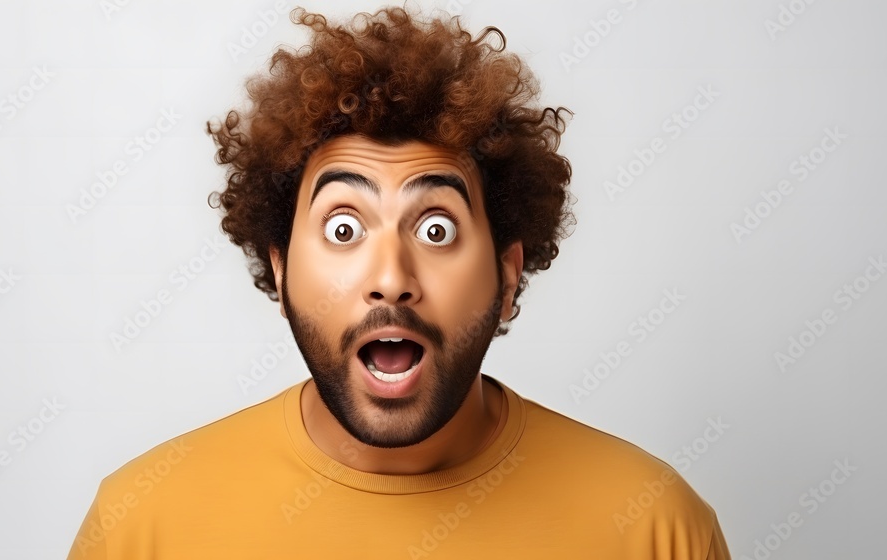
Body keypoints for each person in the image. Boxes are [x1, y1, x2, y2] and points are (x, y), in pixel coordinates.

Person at [67, 6, 730, 559]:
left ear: (505, 275)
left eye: (436, 229)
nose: (391, 279)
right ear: (280, 269)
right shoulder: (141, 527)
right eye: (344, 229)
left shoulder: (653, 528)